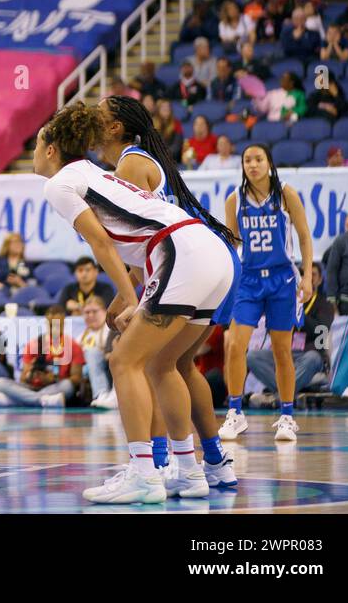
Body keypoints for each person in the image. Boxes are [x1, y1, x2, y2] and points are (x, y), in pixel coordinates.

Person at [36, 102, 236, 503]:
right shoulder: (96, 171)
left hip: (180, 253)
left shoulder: (58, 183)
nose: (35, 154)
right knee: (165, 364)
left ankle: (145, 473)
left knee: (123, 361)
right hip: (211, 253)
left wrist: (130, 299)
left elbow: (102, 243)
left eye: (38, 145)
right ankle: (191, 471)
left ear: (53, 149)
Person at [96, 94, 239, 488]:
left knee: (145, 361)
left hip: (187, 262)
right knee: (174, 364)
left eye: (99, 115)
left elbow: (137, 236)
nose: (91, 120)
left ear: (116, 127)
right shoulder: (143, 160)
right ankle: (213, 462)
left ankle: (157, 464)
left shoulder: (129, 164)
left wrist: (127, 296)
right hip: (210, 261)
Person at [219, 144, 314, 444]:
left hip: (281, 279)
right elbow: (232, 244)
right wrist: (224, 278)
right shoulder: (234, 200)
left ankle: (287, 416)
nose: (253, 164)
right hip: (248, 280)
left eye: (258, 159)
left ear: (269, 163)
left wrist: (308, 275)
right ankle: (235, 412)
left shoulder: (286, 193)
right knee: (235, 345)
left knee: (281, 352)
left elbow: (304, 235)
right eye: (248, 160)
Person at [245, 290, 333, 404]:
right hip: (286, 353)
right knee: (252, 356)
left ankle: (278, 397)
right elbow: (272, 332)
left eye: (313, 276)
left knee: (313, 358)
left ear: (319, 280)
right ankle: (284, 396)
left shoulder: (323, 304)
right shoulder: (284, 302)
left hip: (310, 355)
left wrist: (298, 313)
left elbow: (321, 331)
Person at [0, 305, 82, 407]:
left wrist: (53, 379)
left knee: (68, 386)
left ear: (63, 324)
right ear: (47, 323)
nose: (55, 328)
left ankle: (23, 400)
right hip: (32, 386)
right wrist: (30, 374)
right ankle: (43, 401)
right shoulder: (34, 344)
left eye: (58, 324)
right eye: (52, 324)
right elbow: (23, 379)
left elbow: (77, 378)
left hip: (55, 387)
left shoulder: (73, 346)